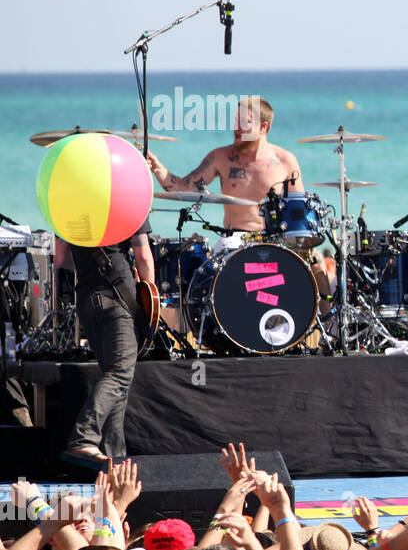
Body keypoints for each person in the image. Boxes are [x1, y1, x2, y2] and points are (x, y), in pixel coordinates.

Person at [52, 170, 155, 469]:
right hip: (117, 299)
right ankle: (84, 438)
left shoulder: (70, 206)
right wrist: (150, 298)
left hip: (87, 301)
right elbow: (143, 255)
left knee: (114, 376)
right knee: (121, 374)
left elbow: (61, 261)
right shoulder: (129, 199)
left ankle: (115, 459)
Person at [146, 97, 304, 236]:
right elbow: (181, 187)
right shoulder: (220, 157)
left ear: (263, 127)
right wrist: (157, 167)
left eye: (245, 122)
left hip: (272, 239)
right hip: (234, 239)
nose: (237, 127)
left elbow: (299, 211)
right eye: (236, 121)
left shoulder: (285, 160)